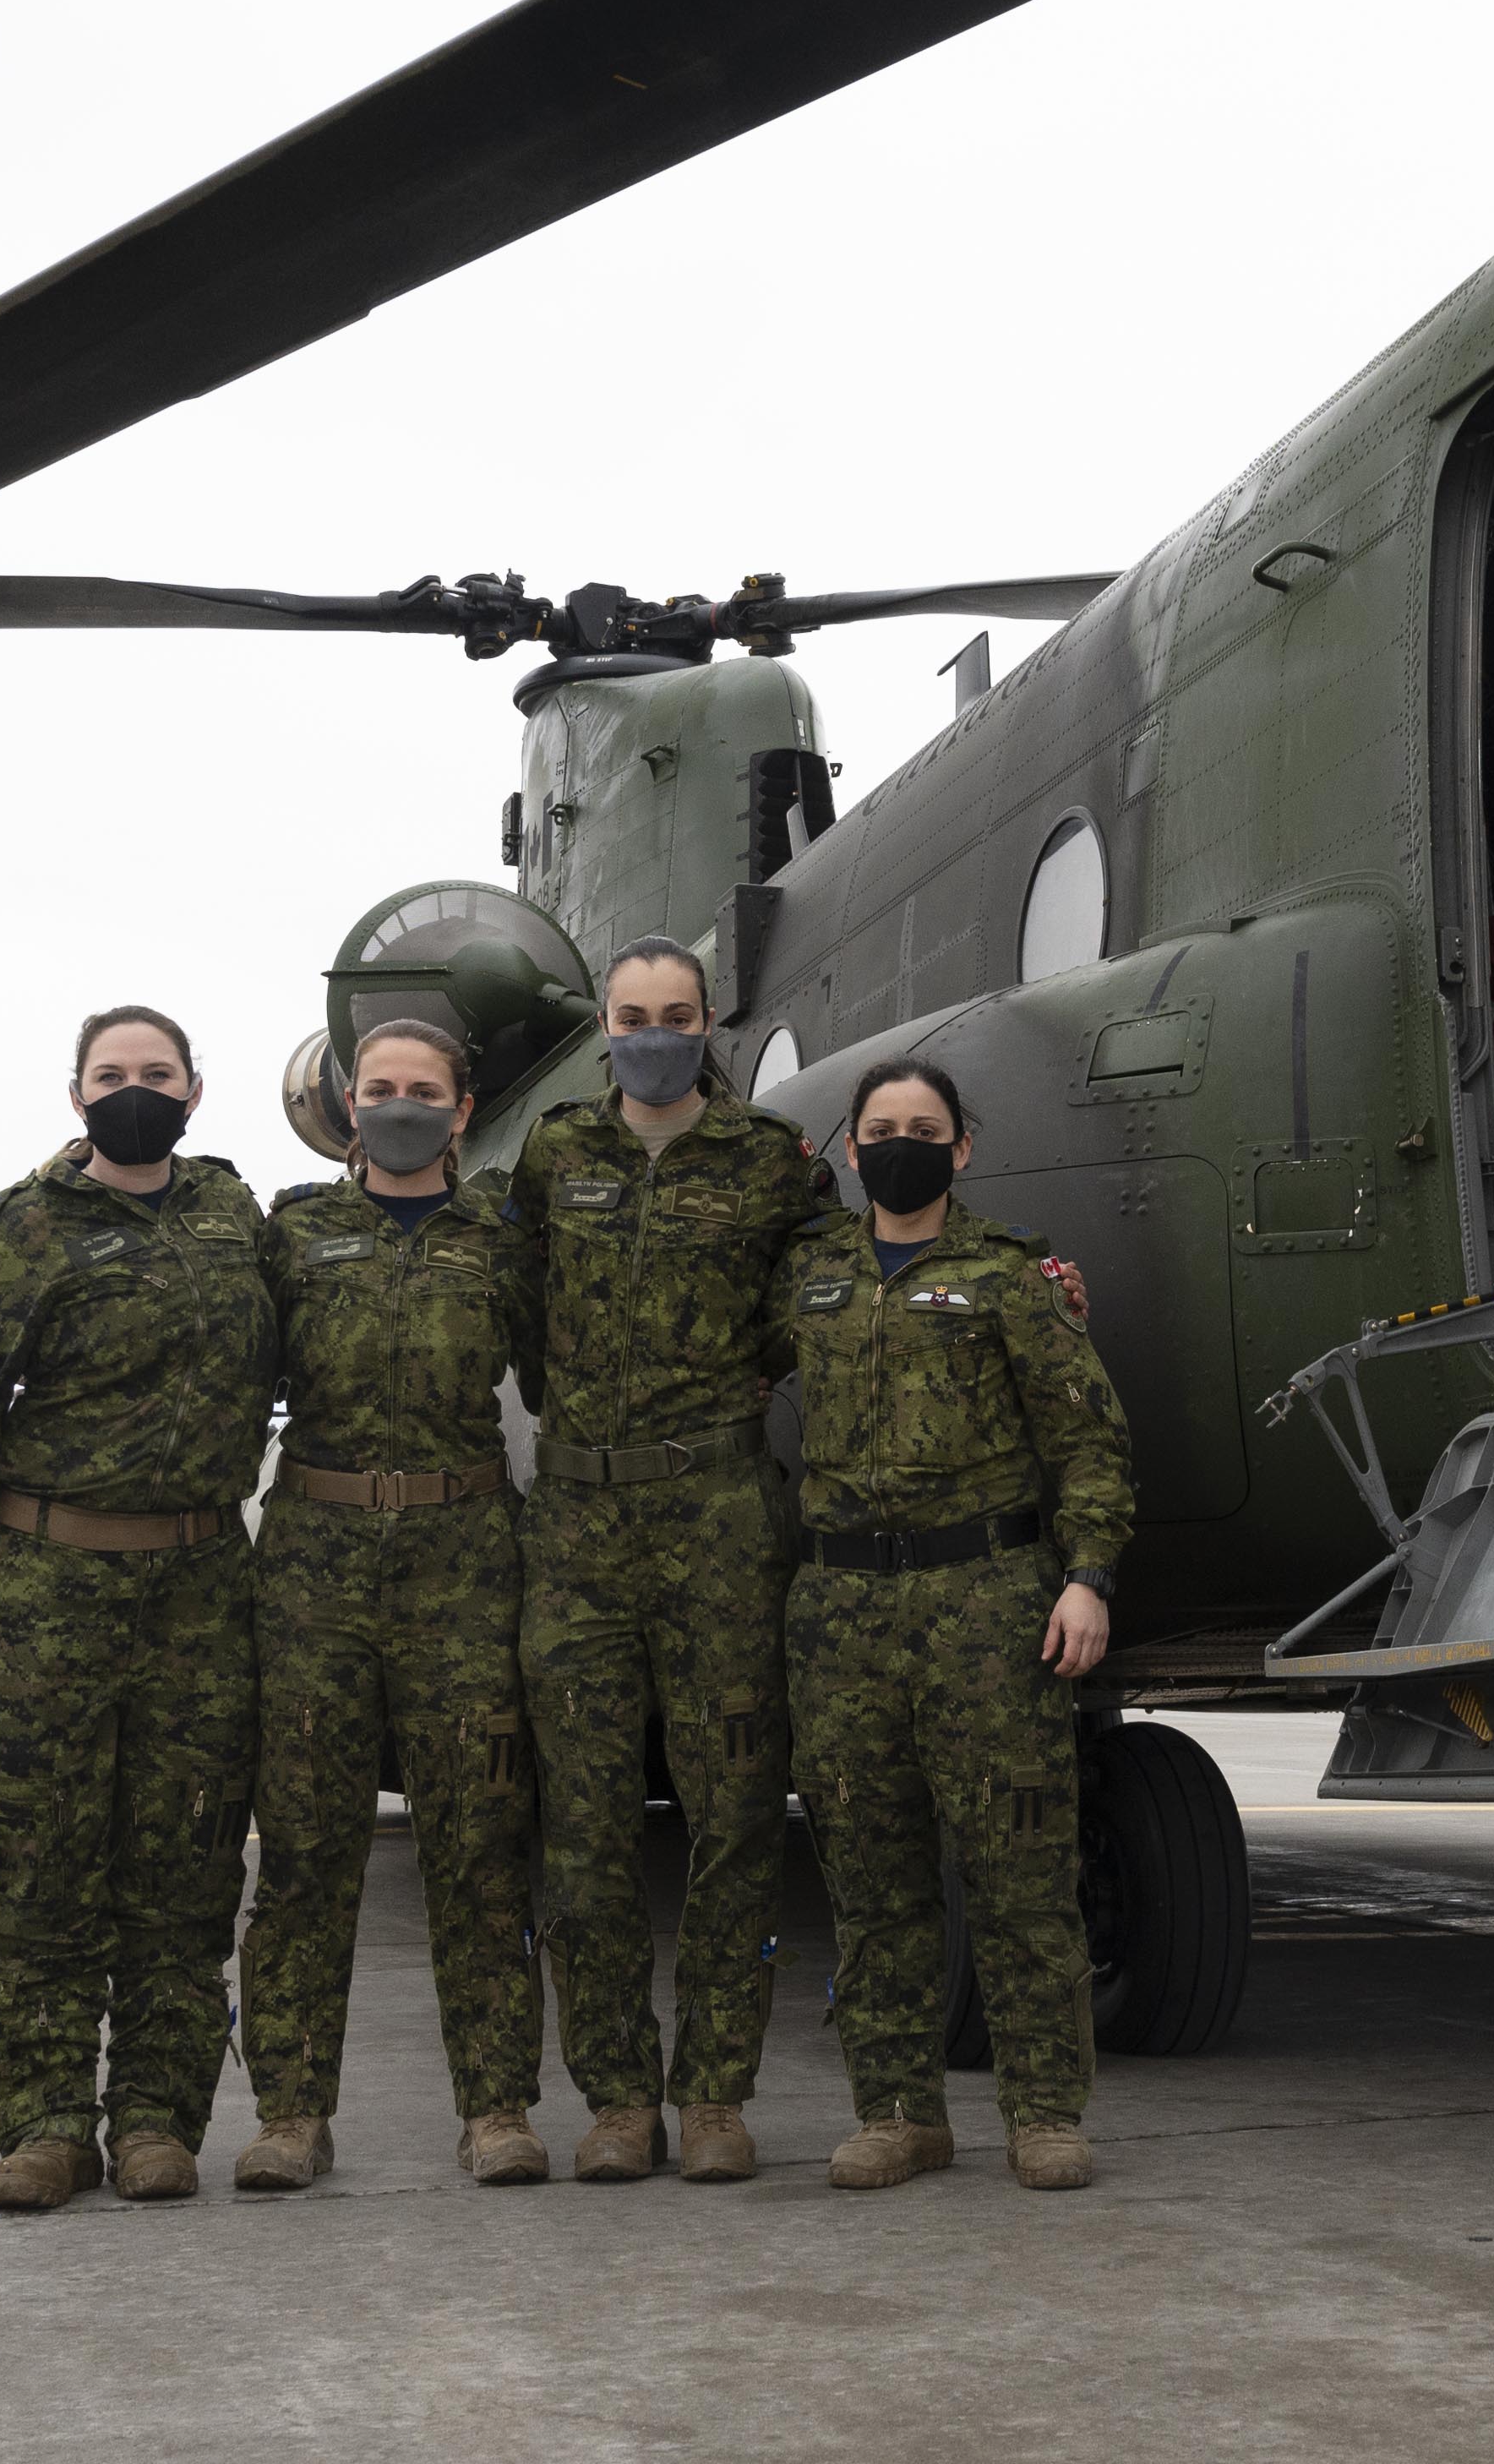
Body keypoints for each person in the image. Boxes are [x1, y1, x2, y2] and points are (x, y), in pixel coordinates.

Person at [0, 1006, 270, 2214]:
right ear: (76, 1097)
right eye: (112, 1075)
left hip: (200, 1585)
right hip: (46, 1579)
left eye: (156, 1074)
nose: (136, 1091)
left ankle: (160, 2120)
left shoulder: (234, 1217)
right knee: (41, 1867)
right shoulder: (20, 1225)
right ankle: (48, 2125)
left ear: (195, 1091)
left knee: (184, 1860)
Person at [768, 1057, 1135, 2192]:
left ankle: (1042, 2111)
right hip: (841, 1612)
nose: (901, 1144)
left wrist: (1088, 1577)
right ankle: (899, 2113)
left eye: (924, 1128)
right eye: (880, 1128)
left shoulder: (1013, 1275)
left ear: (961, 1149)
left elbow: (1088, 1439)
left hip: (986, 1599)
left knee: (1021, 1867)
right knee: (871, 1876)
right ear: (848, 1145)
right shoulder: (808, 1273)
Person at [504, 935, 835, 2183]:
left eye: (678, 1014)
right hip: (580, 1527)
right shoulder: (555, 1154)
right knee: (582, 1831)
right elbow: (527, 1310)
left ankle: (715, 2097)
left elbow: (809, 1298)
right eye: (634, 1014)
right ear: (605, 1025)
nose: (655, 1033)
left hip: (721, 1519)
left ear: (709, 1026)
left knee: (737, 1817)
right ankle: (615, 2100)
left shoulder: (767, 1160)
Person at [233, 1017, 553, 2191]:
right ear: (347, 1105)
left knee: (480, 1849)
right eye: (381, 1088)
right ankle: (291, 2115)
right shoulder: (291, 1235)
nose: (401, 1104)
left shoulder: (504, 1242)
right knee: (309, 1858)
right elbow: (219, 1371)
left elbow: (583, 1361)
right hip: (315, 1563)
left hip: (463, 1560)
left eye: (425, 1089)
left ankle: (499, 2109)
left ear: (463, 1110)